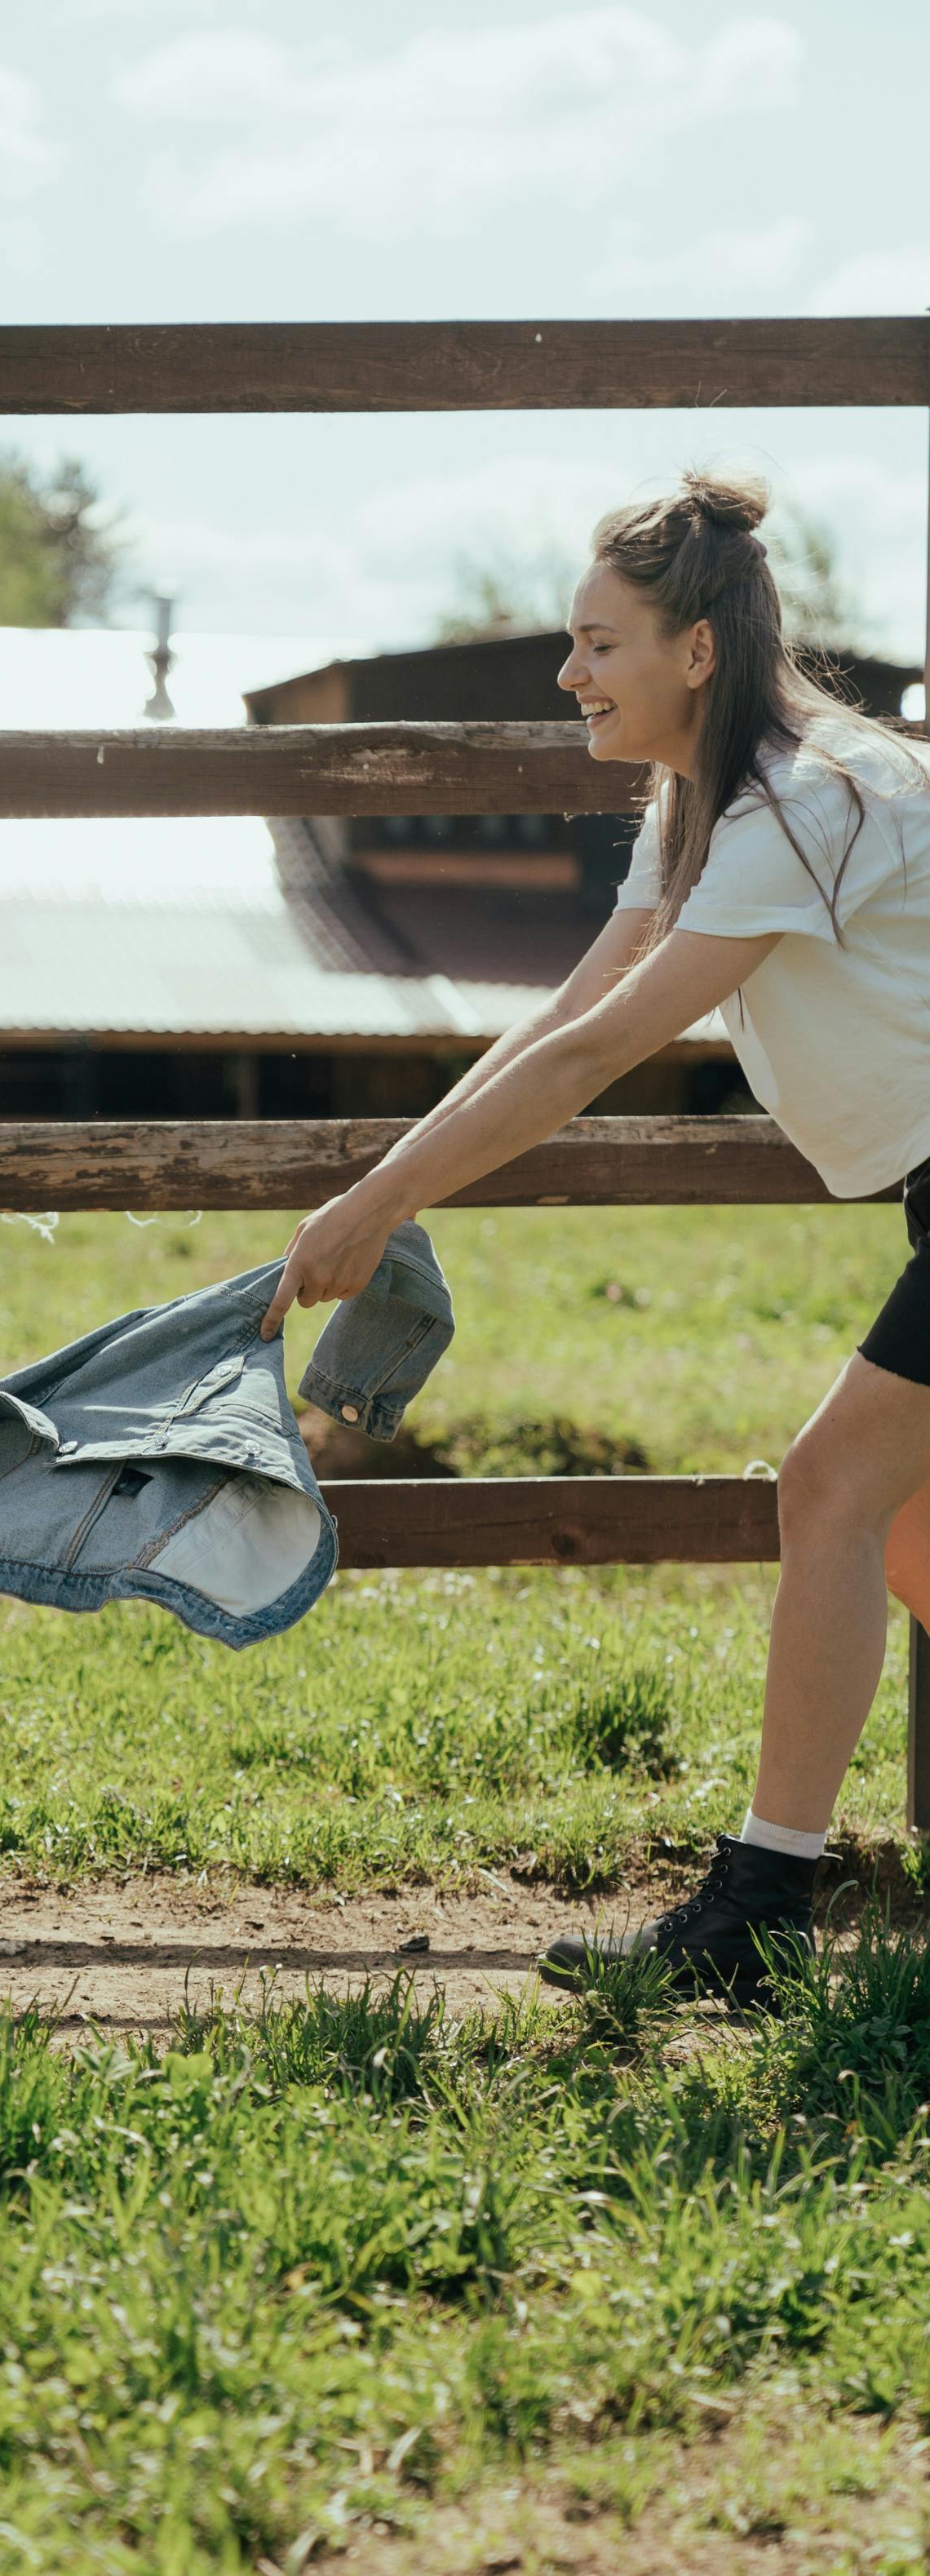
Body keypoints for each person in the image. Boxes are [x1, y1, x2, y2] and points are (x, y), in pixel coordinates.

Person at [259, 472, 930, 2003]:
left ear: (696, 651)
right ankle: (765, 1905)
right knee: (897, 1526)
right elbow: (563, 1013)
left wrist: (379, 1202)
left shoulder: (795, 807)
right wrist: (399, 1180)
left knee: (835, 1490)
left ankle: (754, 1916)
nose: (568, 675)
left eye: (597, 644)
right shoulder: (702, 801)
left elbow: (591, 1058)